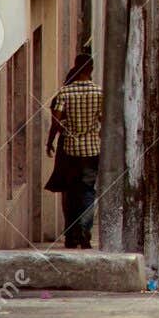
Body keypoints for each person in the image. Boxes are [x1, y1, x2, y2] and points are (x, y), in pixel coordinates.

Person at [45, 54, 102, 249]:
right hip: (92, 150)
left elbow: (56, 120)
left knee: (70, 193)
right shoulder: (99, 93)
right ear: (91, 70)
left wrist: (52, 139)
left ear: (76, 67)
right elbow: (104, 120)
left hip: (70, 150)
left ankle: (70, 235)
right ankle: (85, 232)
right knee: (87, 191)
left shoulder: (65, 93)